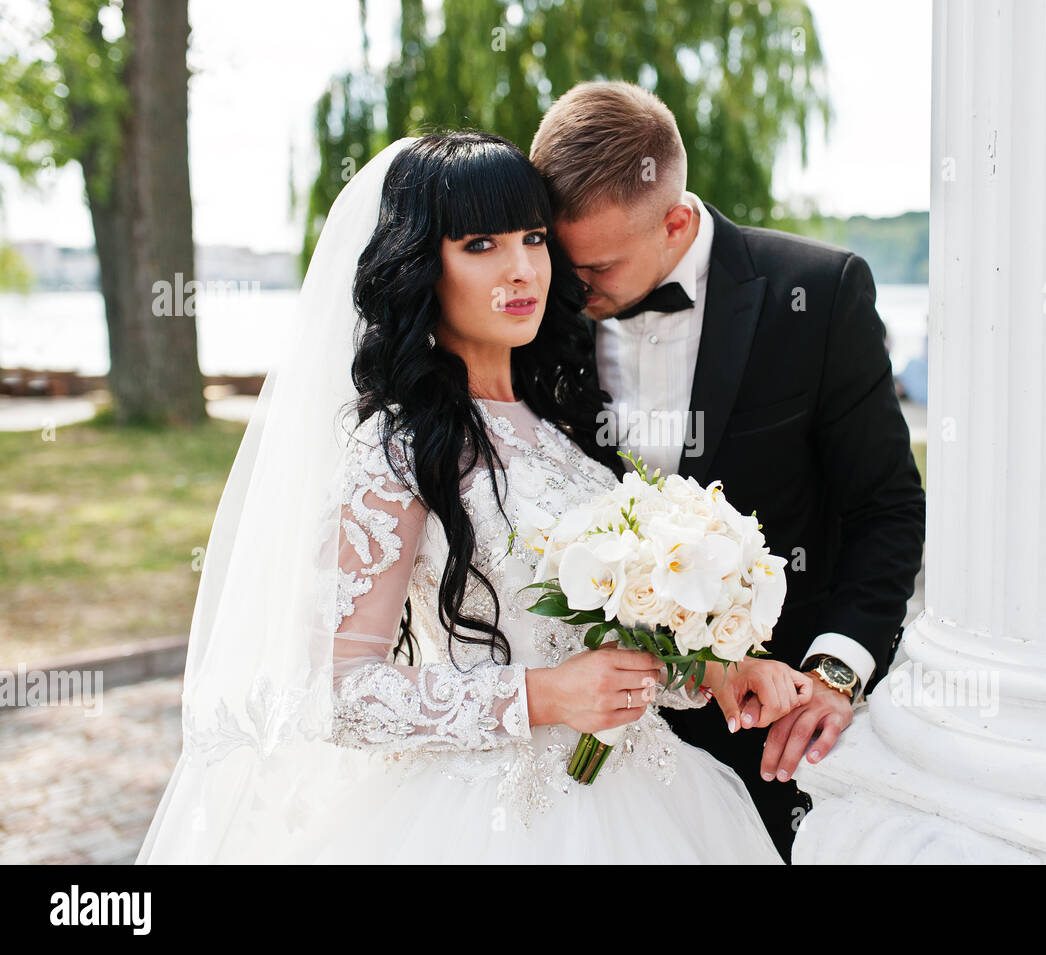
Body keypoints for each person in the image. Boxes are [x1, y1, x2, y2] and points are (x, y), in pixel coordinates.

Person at [135, 132, 811, 864]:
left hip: (643, 797)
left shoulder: (558, 425)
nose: (522, 269)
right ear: (422, 266)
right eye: (481, 245)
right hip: (491, 822)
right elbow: (343, 691)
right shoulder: (398, 448)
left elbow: (596, 642)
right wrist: (540, 696)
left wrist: (714, 670)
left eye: (533, 238)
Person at [530, 81, 927, 862]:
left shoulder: (817, 293)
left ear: (675, 219)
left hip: (767, 730)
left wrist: (835, 674)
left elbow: (887, 507)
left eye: (597, 269)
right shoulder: (542, 306)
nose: (568, 293)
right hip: (585, 741)